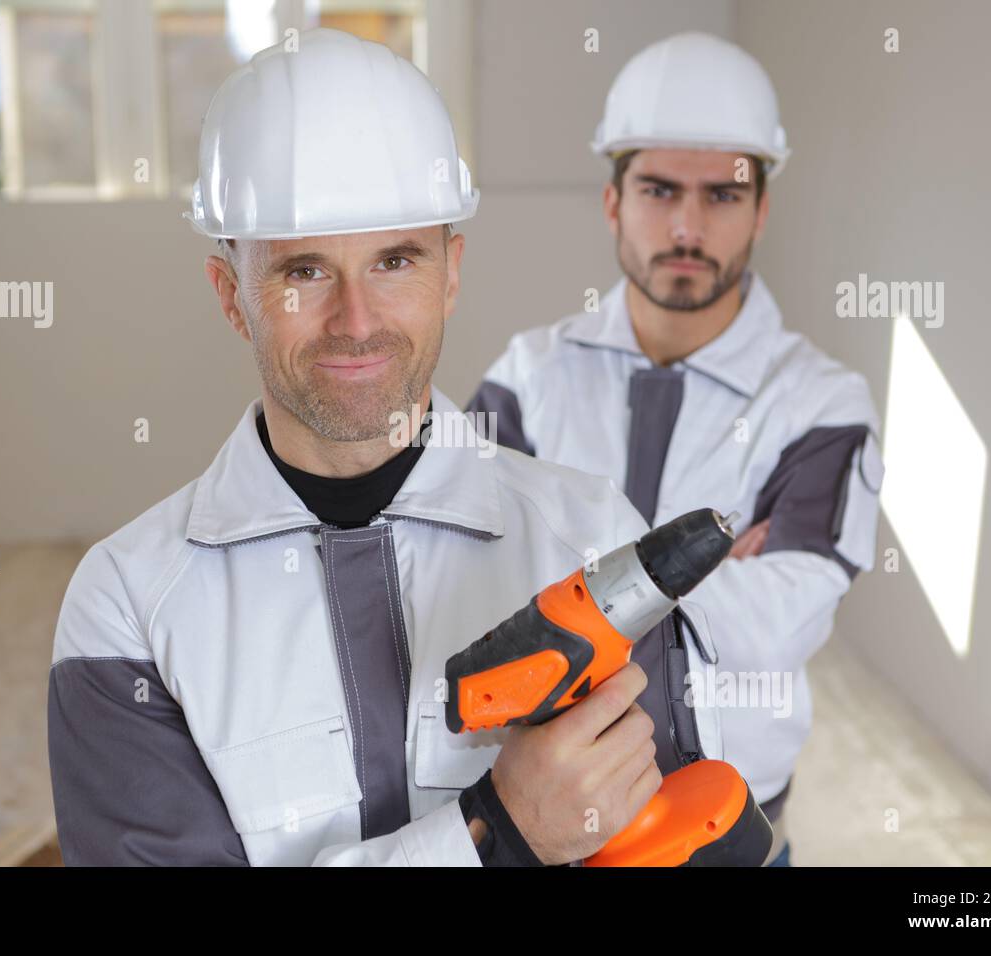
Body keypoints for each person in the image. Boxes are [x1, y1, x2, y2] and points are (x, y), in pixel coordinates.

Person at [47, 28, 726, 867]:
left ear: (450, 272)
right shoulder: (127, 609)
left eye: (395, 260)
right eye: (304, 271)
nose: (356, 320)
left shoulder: (592, 543)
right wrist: (495, 834)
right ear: (231, 295)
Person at [466, 32, 885, 867]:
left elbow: (776, 631)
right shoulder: (528, 377)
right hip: (555, 833)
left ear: (761, 208)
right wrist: (712, 576)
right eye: (659, 189)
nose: (688, 226)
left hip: (729, 836)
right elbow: (475, 599)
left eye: (722, 196)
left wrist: (577, 592)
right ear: (613, 199)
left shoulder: (822, 405)